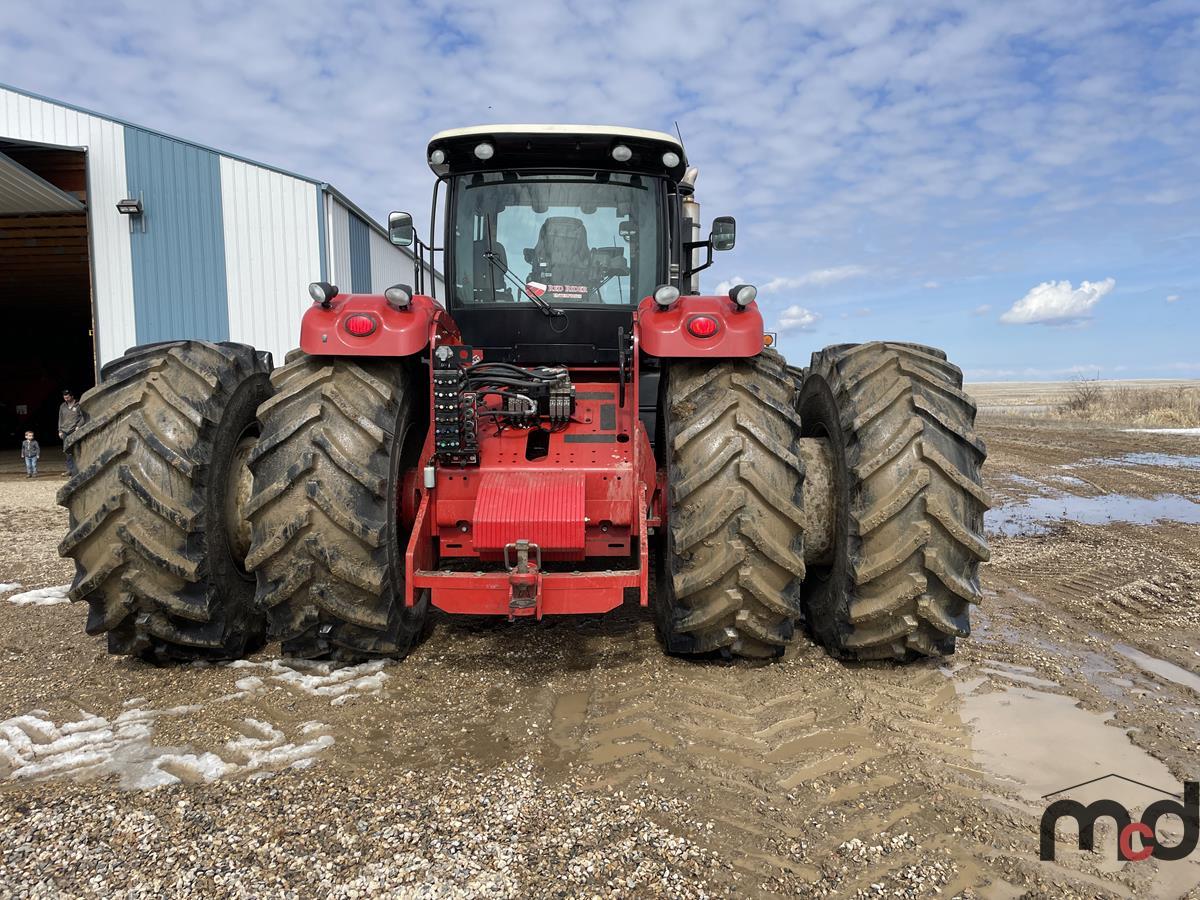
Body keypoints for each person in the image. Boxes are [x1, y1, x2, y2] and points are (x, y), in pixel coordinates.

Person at [58, 389, 83, 477]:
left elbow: (83, 417)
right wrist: (60, 430)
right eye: (64, 397)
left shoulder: (78, 405)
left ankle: (78, 470)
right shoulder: (62, 406)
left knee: (76, 450)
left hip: (74, 430)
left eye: (67, 397)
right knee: (67, 451)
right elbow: (60, 419)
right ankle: (70, 470)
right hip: (65, 431)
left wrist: (78, 426)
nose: (66, 399)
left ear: (72, 396)